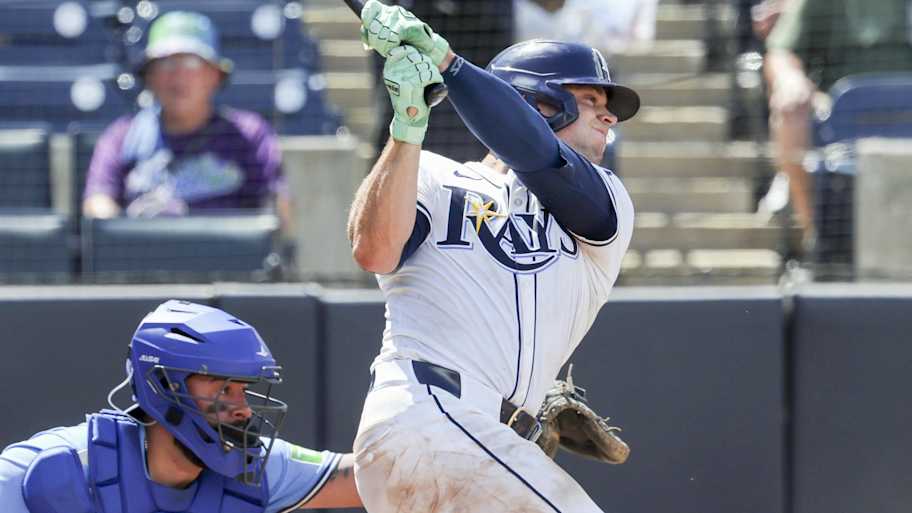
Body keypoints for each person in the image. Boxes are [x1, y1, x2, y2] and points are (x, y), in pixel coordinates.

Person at [347, 1, 639, 511]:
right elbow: (374, 250)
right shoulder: (436, 174)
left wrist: (448, 66)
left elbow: (534, 153)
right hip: (426, 413)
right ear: (538, 102)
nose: (609, 115)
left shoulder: (606, 201)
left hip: (493, 443)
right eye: (591, 99)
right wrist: (407, 127)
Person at [0, 300, 361, 512]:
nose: (244, 409)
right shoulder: (55, 469)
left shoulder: (256, 471)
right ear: (162, 385)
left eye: (243, 390)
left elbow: (370, 479)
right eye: (223, 388)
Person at [82, 11, 292, 231]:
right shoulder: (122, 136)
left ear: (214, 75)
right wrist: (125, 235)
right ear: (150, 77)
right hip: (143, 259)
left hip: (226, 261)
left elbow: (277, 209)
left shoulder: (249, 134)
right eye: (166, 64)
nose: (179, 76)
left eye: (191, 63)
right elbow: (98, 202)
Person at [762, 0, 912, 261]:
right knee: (789, 113)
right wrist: (790, 79)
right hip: (838, 123)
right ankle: (817, 237)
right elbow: (781, 52)